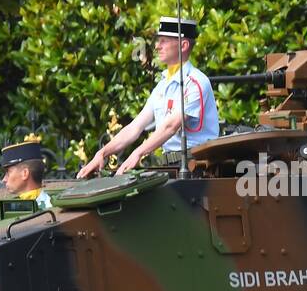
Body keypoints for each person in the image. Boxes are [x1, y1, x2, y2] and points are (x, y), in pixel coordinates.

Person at [77, 16, 218, 177]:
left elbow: (171, 126)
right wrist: (102, 153)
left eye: (164, 41)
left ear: (183, 45)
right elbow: (135, 127)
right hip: (171, 167)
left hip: (197, 169)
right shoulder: (162, 86)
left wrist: (138, 153)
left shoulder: (196, 82)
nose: (157, 47)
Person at [0, 141, 52, 209]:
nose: (4, 180)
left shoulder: (47, 207)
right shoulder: (49, 205)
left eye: (8, 172)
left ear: (24, 173)